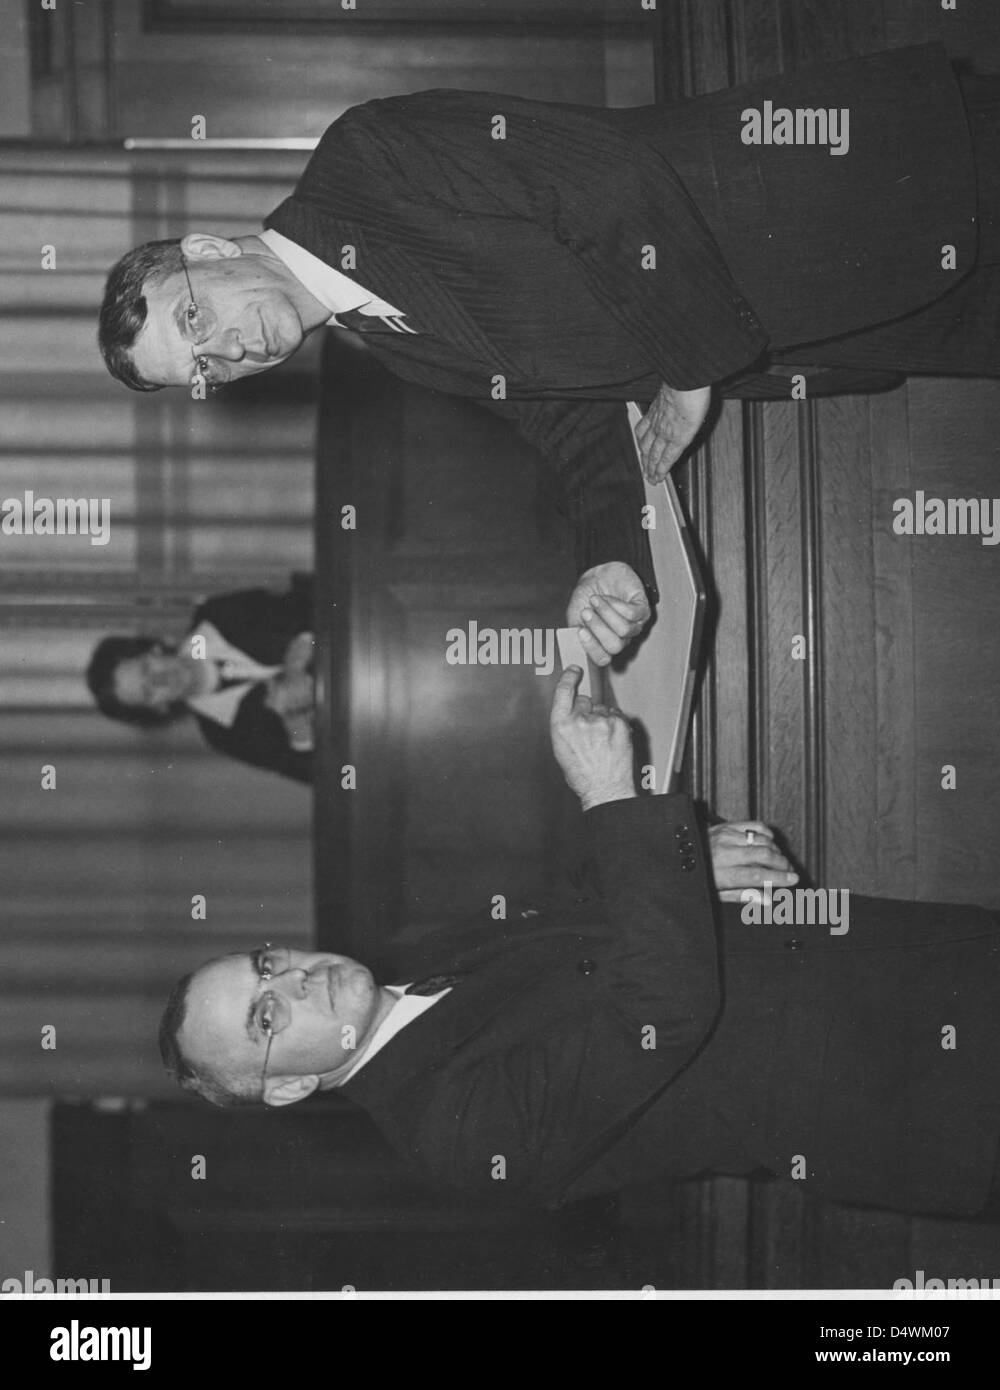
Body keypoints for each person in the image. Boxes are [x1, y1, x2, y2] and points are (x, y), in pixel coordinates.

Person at [98, 45, 1000, 604]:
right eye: (204, 371)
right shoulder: (392, 345)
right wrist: (609, 559)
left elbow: (606, 183)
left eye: (194, 319)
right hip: (858, 319)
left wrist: (688, 375)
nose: (226, 353)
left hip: (865, 192)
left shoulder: (366, 160)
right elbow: (575, 418)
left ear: (211, 251)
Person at [159, 665, 1000, 1219]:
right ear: (286, 1092)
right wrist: (609, 795)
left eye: (268, 964)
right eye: (266, 1017)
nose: (296, 981)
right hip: (910, 1090)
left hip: (901, 966)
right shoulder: (454, 1136)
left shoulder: (422, 960)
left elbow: (580, 911)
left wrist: (687, 861)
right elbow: (660, 1012)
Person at [86, 578, 315, 783]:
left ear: (154, 649)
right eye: (148, 692)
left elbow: (314, 598)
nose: (160, 679)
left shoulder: (217, 615)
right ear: (158, 708)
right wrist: (295, 723)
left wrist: (302, 655)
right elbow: (310, 770)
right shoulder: (222, 736)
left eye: (147, 668)